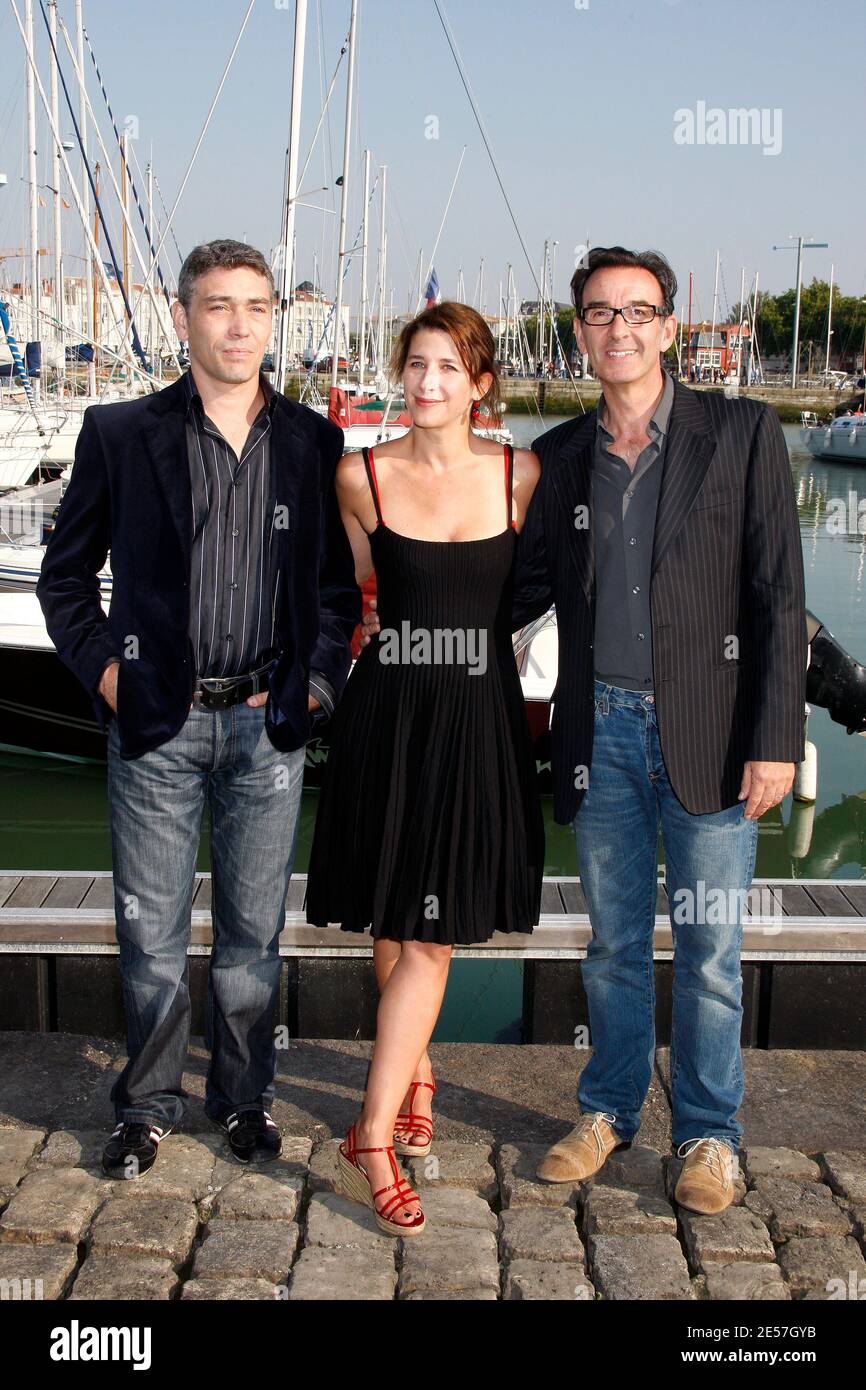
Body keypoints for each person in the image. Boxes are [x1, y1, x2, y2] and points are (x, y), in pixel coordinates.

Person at [363, 246, 806, 1216]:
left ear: (667, 325)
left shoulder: (740, 434)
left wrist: (774, 734)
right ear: (578, 332)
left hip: (714, 734)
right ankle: (605, 1110)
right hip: (593, 728)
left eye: (636, 310)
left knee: (708, 952)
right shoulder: (555, 457)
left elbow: (777, 593)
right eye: (599, 313)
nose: (618, 329)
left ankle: (706, 1135)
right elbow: (506, 593)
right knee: (609, 945)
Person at [37, 239, 360, 1178]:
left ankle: (243, 1097)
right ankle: (144, 1106)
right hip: (156, 730)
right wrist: (110, 679)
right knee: (150, 934)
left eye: (255, 306)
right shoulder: (119, 433)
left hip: (267, 729)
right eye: (218, 305)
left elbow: (336, 597)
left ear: (272, 319)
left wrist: (313, 688)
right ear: (184, 317)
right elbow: (65, 583)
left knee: (254, 938)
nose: (238, 324)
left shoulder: (311, 443)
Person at [306, 301, 544, 1235]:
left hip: (479, 714)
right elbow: (358, 592)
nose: (429, 383)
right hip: (390, 711)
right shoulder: (359, 476)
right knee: (395, 907)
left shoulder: (523, 477)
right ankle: (389, 1110)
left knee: (431, 933)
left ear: (481, 382)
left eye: (450, 367)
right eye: (416, 365)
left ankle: (377, 1115)